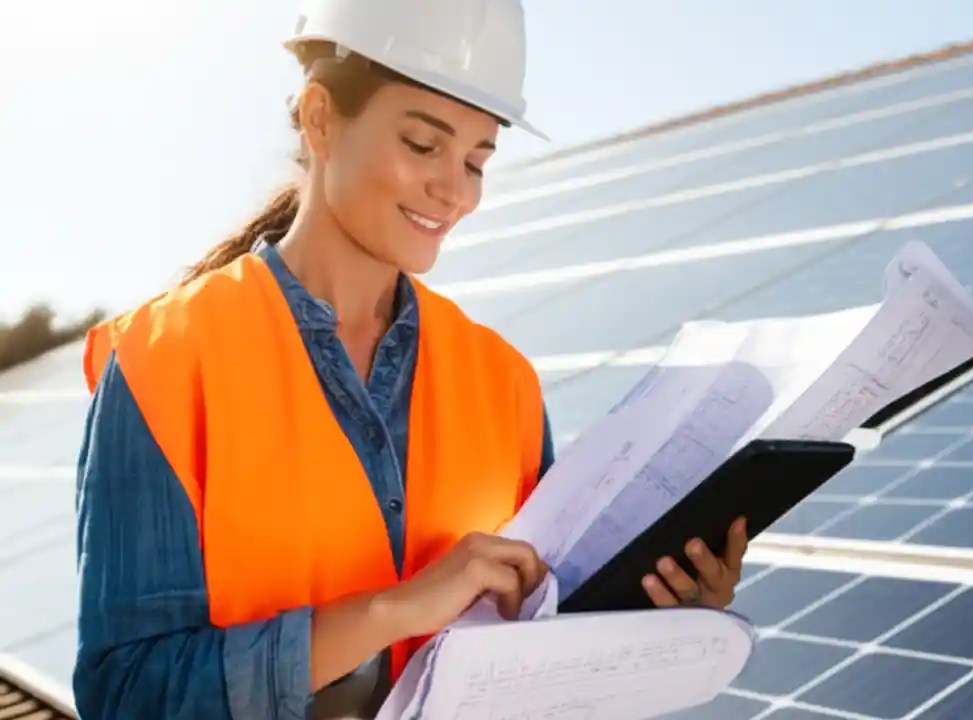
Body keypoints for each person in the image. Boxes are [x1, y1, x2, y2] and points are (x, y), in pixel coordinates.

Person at [71, 0, 750, 717]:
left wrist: (660, 610)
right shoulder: (165, 362)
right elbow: (127, 695)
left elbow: (544, 639)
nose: (454, 191)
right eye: (424, 145)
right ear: (321, 118)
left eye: (476, 161)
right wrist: (388, 613)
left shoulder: (503, 385)